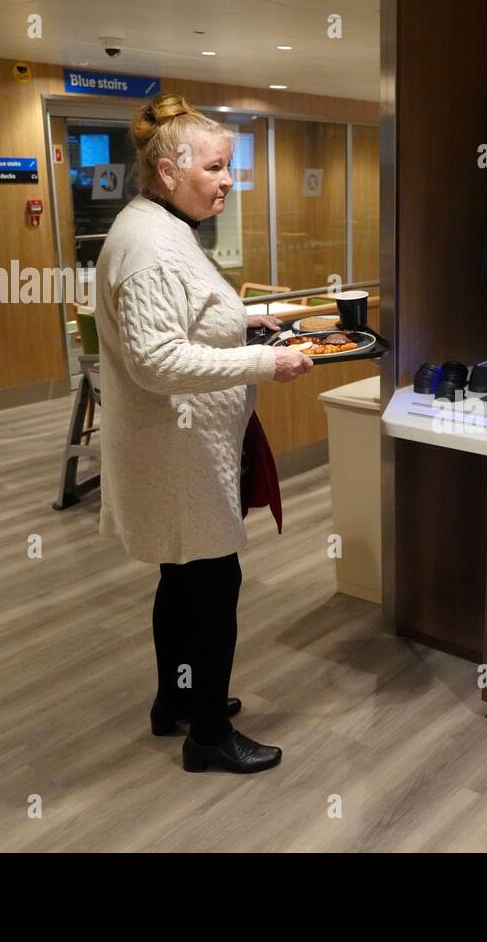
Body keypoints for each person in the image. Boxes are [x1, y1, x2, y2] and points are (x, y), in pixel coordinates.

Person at [93, 92, 313, 773]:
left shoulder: (156, 226)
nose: (227, 182)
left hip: (175, 447)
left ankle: (177, 701)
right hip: (178, 452)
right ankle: (209, 734)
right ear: (168, 171)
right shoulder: (152, 246)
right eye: (217, 168)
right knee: (212, 588)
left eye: (229, 168)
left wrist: (243, 322)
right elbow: (156, 359)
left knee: (181, 582)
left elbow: (185, 318)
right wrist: (263, 361)